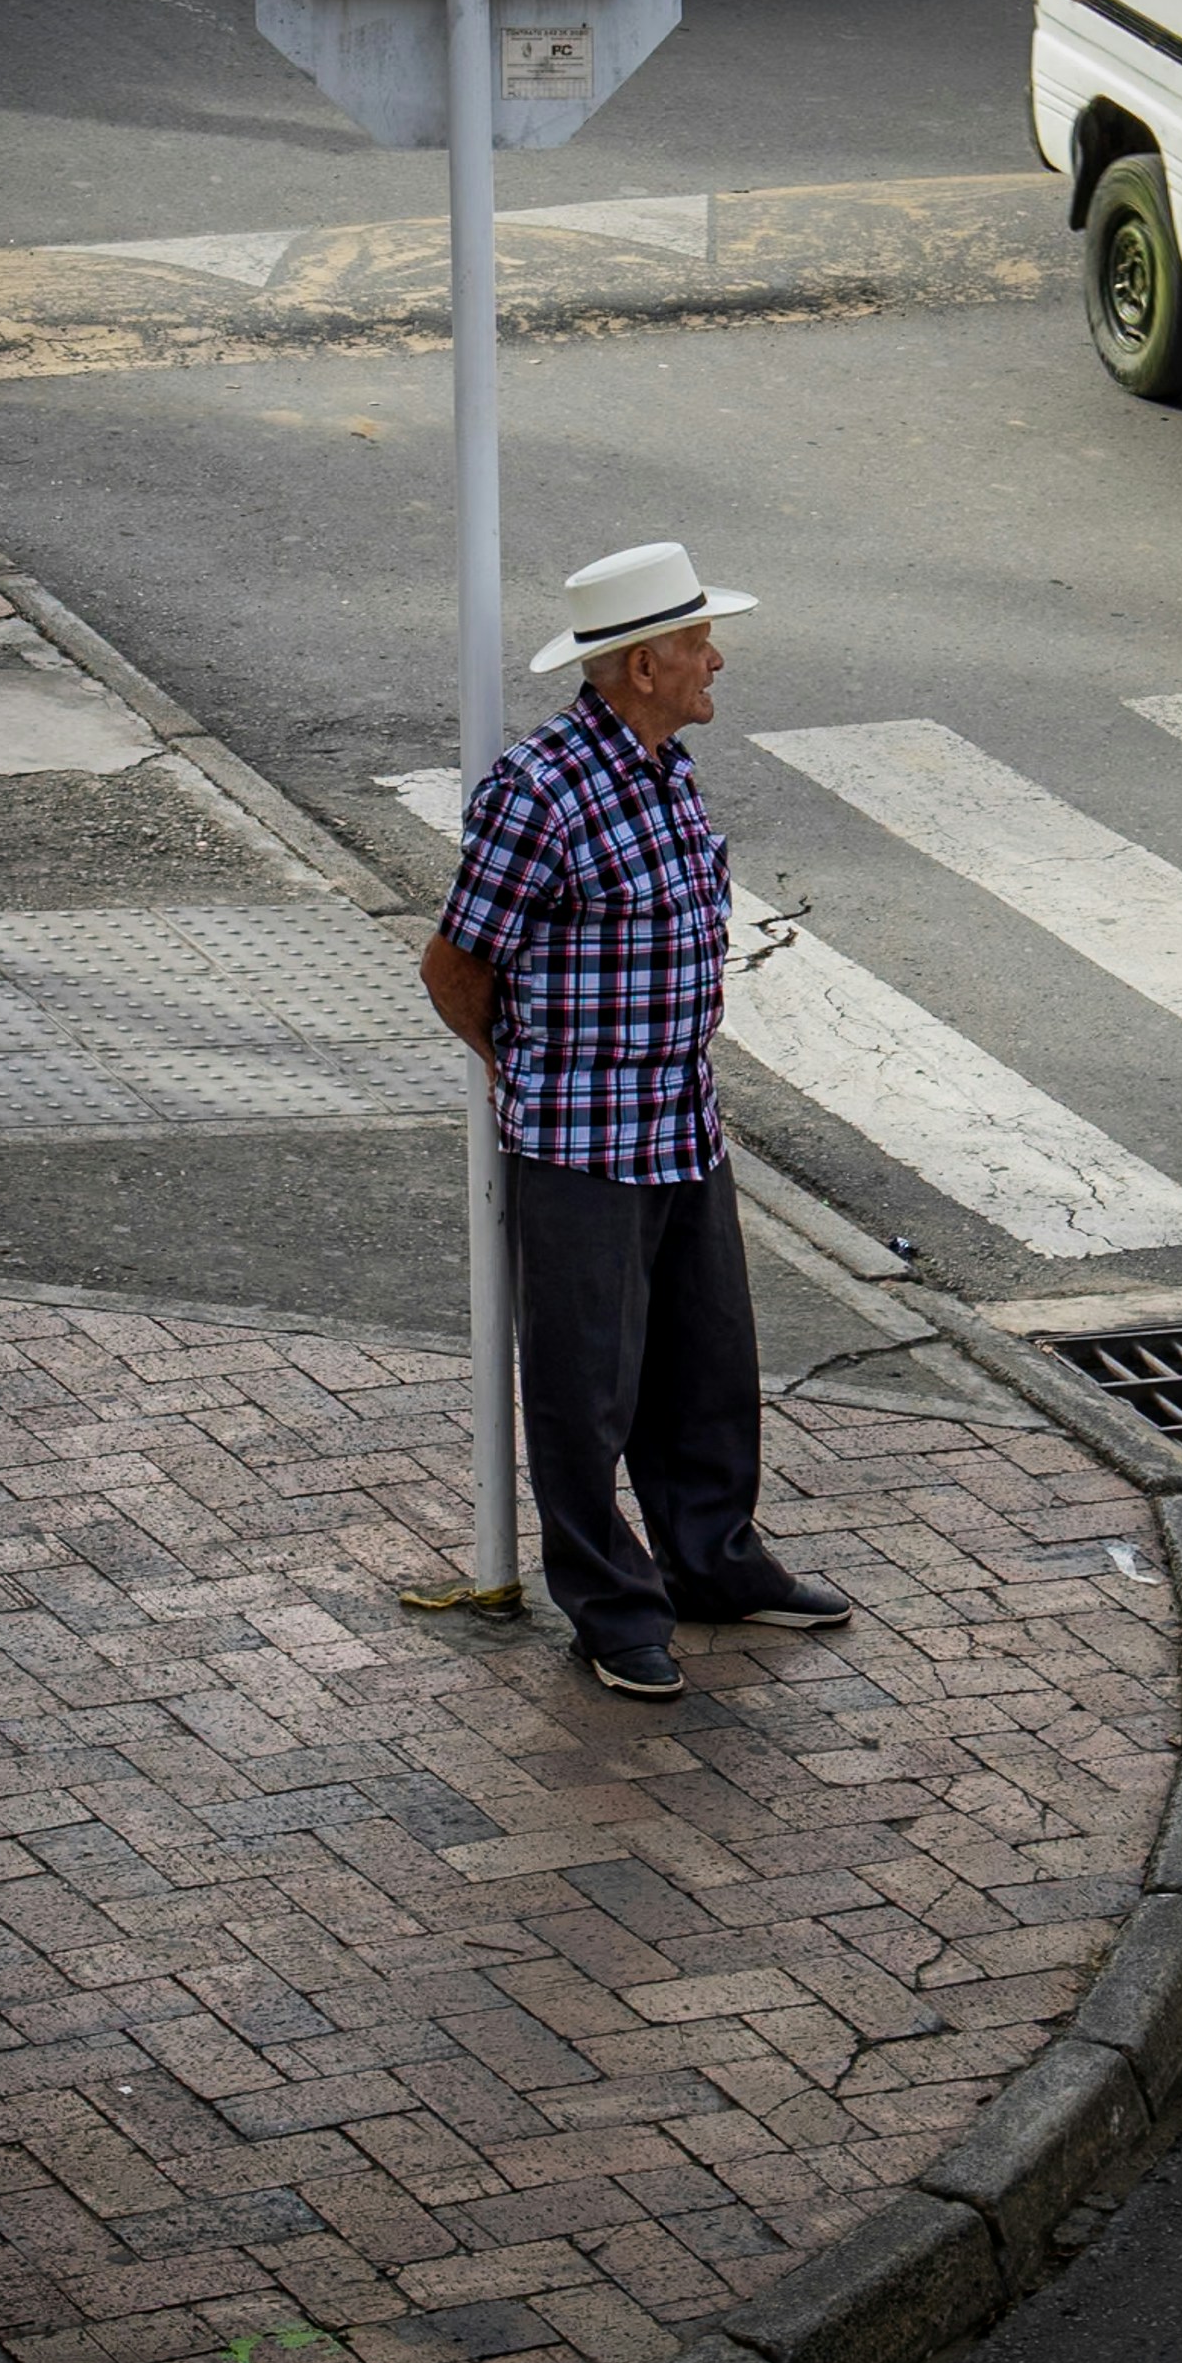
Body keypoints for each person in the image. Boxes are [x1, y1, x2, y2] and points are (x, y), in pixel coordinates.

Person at [419, 541, 853, 1701]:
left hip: (680, 1122)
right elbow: (456, 965)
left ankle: (712, 1565)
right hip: (581, 1141)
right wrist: (535, 1073)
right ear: (644, 666)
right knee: (585, 1389)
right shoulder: (540, 790)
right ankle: (613, 1610)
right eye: (700, 643)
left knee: (705, 1365)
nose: (718, 658)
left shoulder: (662, 766)